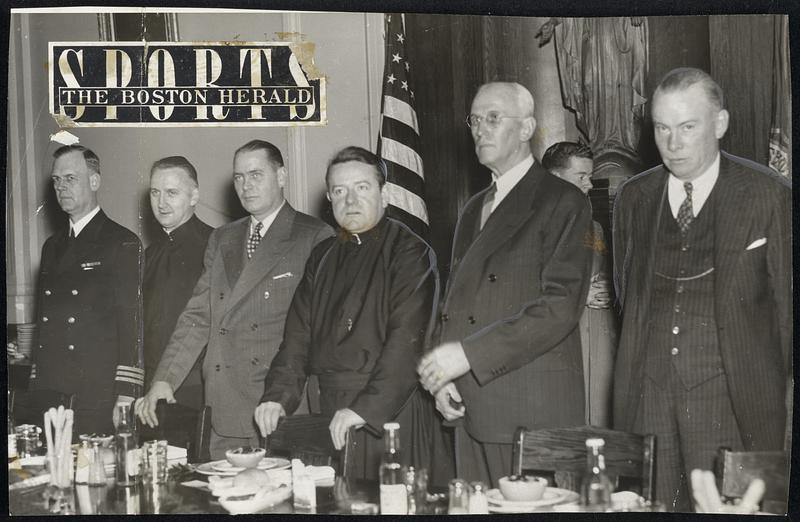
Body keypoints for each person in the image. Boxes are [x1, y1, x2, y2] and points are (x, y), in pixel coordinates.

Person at [612, 67, 792, 511]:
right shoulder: (634, 198)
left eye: (688, 127)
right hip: (648, 401)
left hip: (734, 400)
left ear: (721, 124)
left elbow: (788, 312)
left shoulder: (770, 195)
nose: (673, 144)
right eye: (662, 128)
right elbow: (625, 293)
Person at [417, 82, 593, 486]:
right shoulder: (473, 207)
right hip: (471, 407)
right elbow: (456, 302)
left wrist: (467, 357)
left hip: (527, 410)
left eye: (493, 118)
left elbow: (559, 308)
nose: (480, 129)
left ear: (528, 126)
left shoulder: (564, 201)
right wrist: (444, 378)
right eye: (475, 120)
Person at [135, 140, 333, 458]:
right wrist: (164, 380)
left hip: (277, 408)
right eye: (239, 177)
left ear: (281, 176)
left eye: (256, 174)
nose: (246, 185)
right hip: (223, 407)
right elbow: (198, 316)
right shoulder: (223, 237)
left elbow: (313, 332)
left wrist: (282, 397)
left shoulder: (313, 236)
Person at [255, 146, 442, 481]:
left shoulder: (411, 252)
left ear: (384, 195)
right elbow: (297, 338)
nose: (350, 201)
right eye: (340, 191)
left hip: (388, 411)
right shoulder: (323, 256)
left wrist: (363, 409)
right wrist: (277, 397)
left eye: (362, 188)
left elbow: (406, 347)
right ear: (329, 197)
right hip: (329, 409)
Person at [33, 144, 143, 435]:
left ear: (94, 181)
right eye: (57, 180)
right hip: (52, 388)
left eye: (71, 178)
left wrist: (127, 392)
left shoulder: (121, 242)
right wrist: (38, 381)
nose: (61, 187)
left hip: (96, 392)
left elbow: (132, 323)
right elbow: (43, 322)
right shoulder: (52, 246)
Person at [542, 141, 617, 427]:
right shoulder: (534, 225)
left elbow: (603, 268)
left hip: (598, 333)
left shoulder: (594, 225)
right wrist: (578, 292)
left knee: (600, 419)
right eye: (581, 177)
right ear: (555, 179)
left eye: (590, 176)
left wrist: (613, 287)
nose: (589, 185)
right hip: (563, 335)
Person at [143, 156, 213, 410]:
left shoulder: (215, 245)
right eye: (155, 192)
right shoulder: (148, 255)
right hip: (151, 386)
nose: (161, 203)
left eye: (171, 193)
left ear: (194, 197)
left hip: (197, 388)